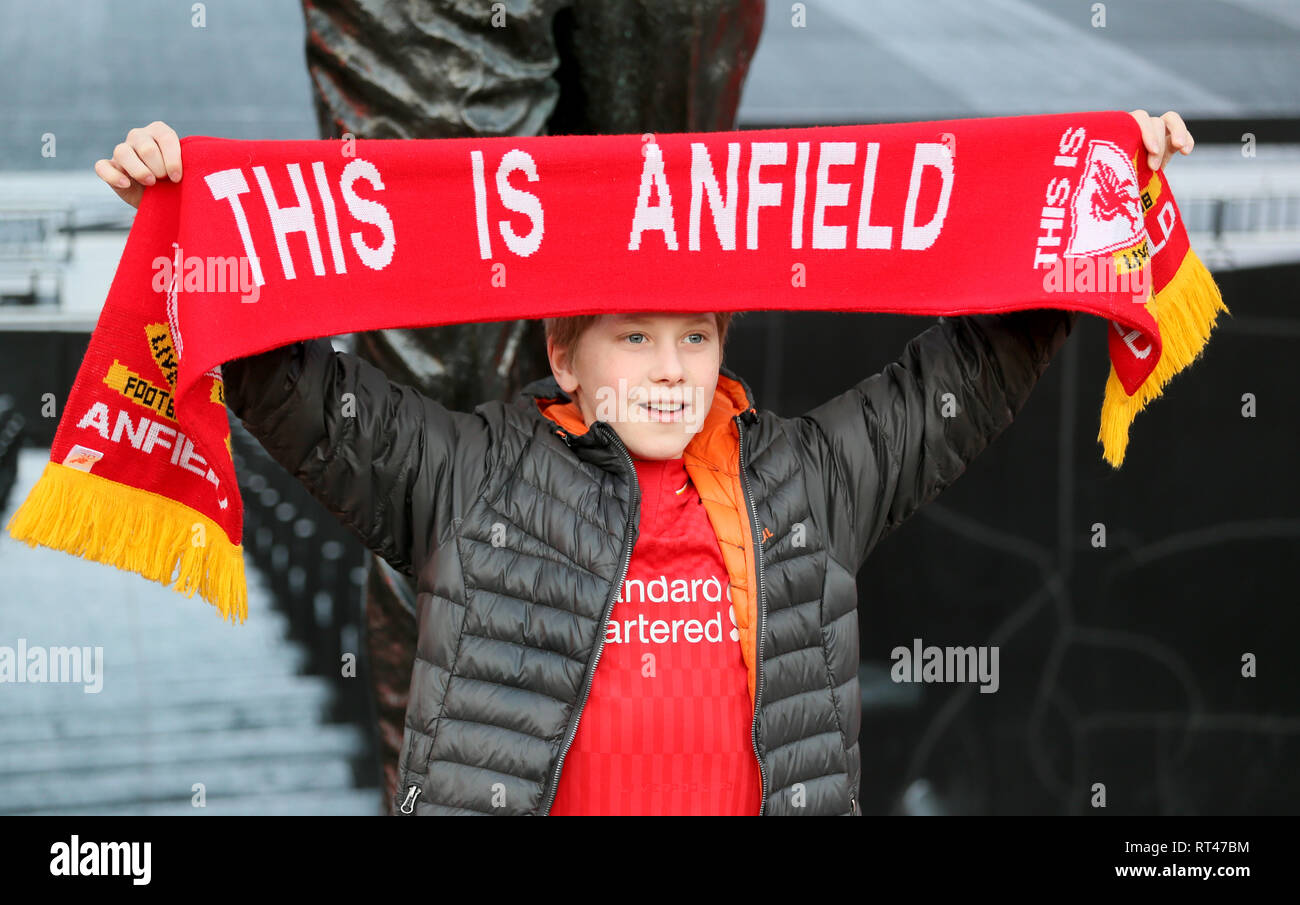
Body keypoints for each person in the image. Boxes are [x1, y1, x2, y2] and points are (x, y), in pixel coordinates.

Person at [95, 111, 1195, 815]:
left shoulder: (806, 477)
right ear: (562, 355)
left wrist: (1103, 185)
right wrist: (191, 204)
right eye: (634, 336)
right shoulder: (468, 475)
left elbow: (975, 366)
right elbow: (288, 386)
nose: (671, 369)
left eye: (695, 335)